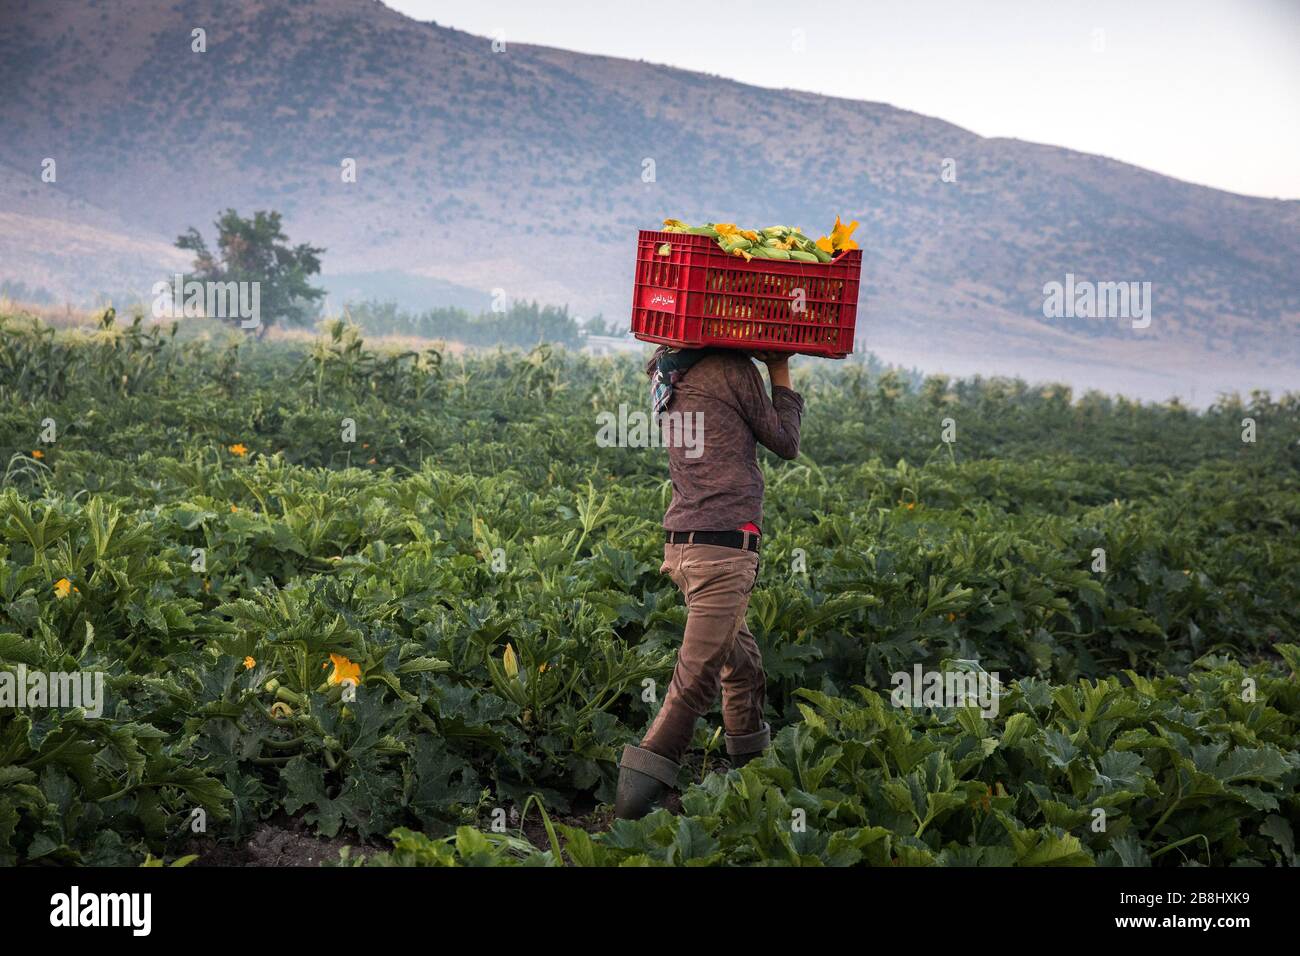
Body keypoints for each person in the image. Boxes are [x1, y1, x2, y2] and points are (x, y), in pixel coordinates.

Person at [615, 346, 804, 819]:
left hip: (684, 544)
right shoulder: (731, 368)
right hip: (722, 549)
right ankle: (628, 814)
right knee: (694, 680)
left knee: (742, 669)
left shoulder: (667, 369)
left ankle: (753, 784)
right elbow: (786, 442)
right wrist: (779, 367)